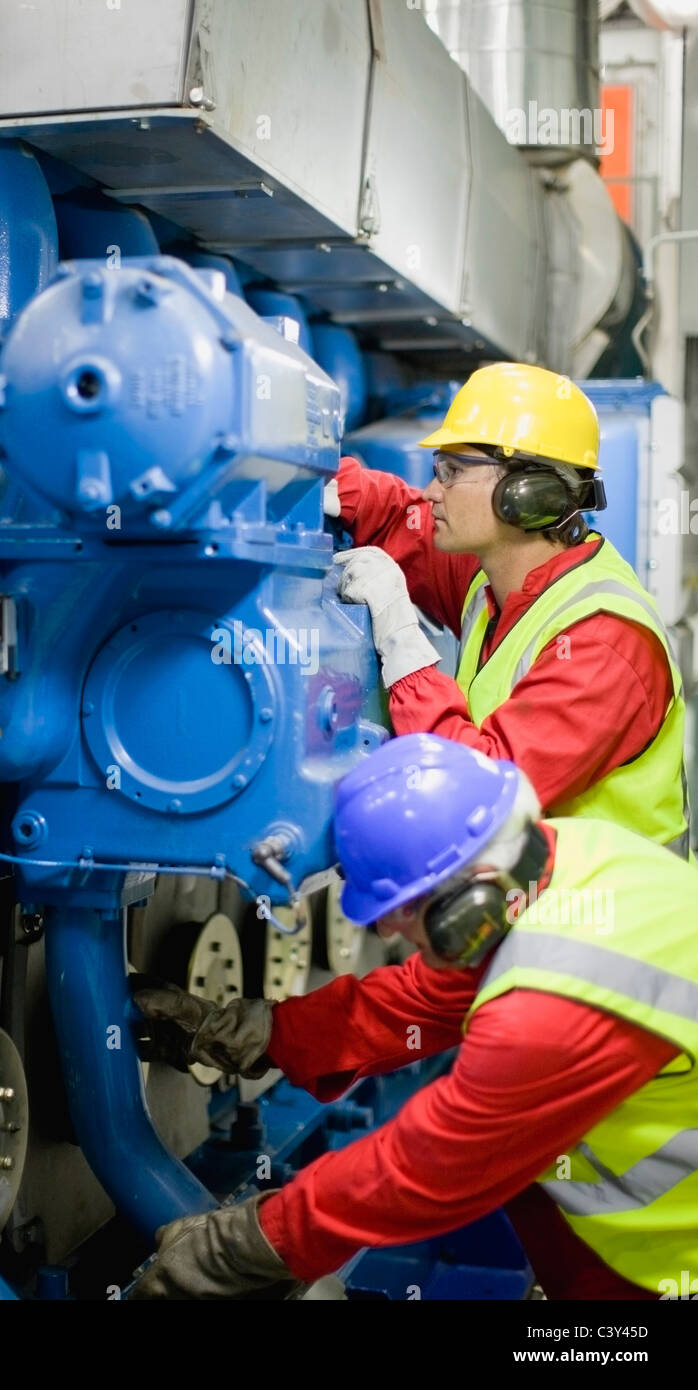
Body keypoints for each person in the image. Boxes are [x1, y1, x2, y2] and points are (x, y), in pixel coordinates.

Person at [130, 734, 698, 1301]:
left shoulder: (555, 1001)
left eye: (402, 909)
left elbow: (426, 1168)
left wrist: (238, 1249)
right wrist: (254, 1035)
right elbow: (416, 999)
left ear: (466, 906)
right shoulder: (566, 856)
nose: (385, 932)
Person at [328, 362, 690, 856]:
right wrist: (311, 478)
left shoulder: (605, 640)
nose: (434, 491)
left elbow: (479, 795)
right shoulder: (494, 582)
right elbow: (400, 517)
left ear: (526, 495)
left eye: (452, 472)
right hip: (531, 917)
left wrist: (402, 645)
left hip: (604, 926)